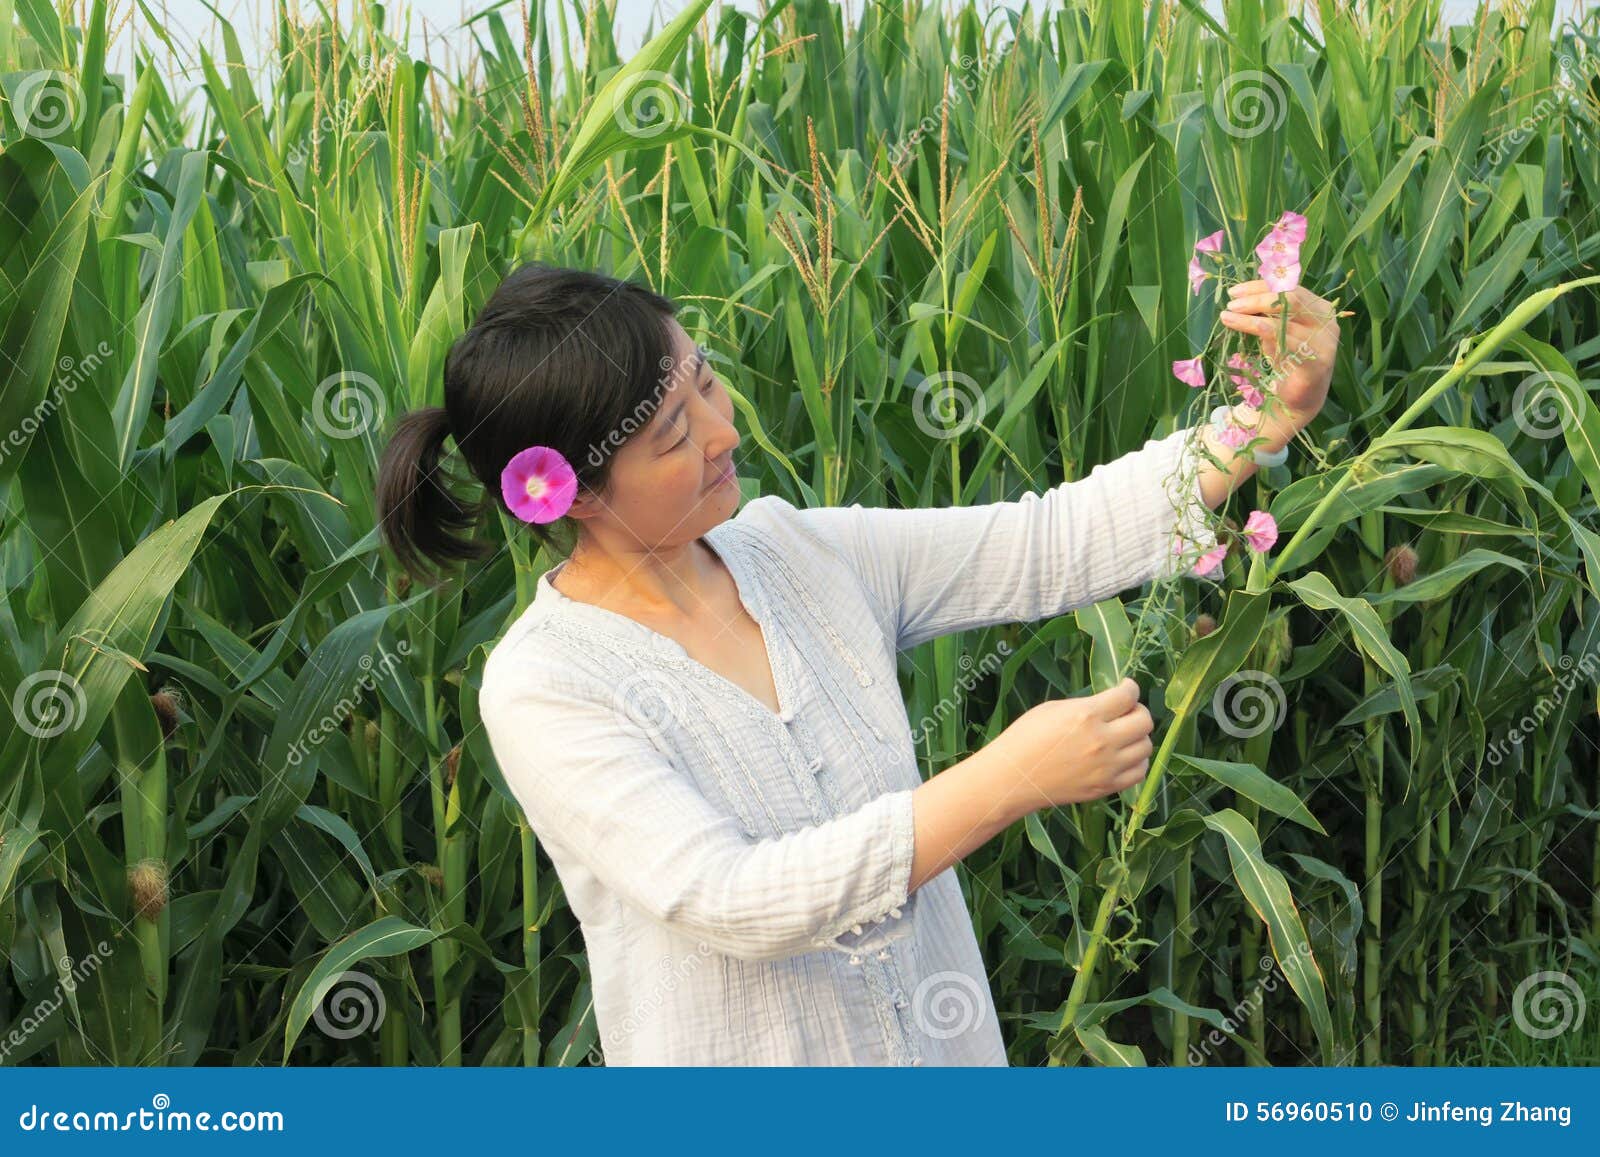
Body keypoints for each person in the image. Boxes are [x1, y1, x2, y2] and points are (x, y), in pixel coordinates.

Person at [374, 261, 1339, 1065]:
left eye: (704, 381)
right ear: (569, 493)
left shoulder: (805, 552)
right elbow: (732, 898)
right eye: (672, 434)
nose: (723, 431)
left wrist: (1266, 414)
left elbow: (1052, 541)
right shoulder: (548, 683)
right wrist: (1008, 779)